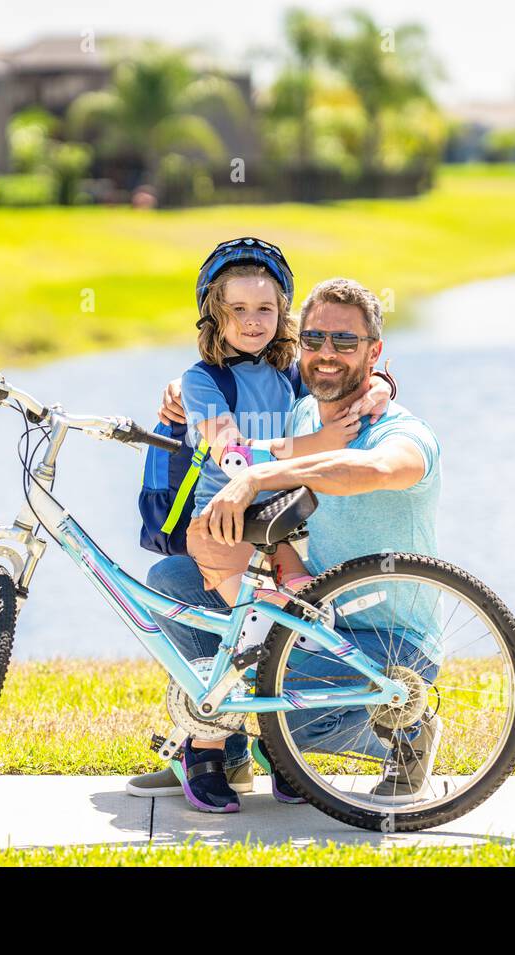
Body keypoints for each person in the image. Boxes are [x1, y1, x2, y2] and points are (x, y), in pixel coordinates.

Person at [131, 277, 444, 811]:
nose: (327, 353)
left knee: (281, 706)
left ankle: (405, 733)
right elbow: (255, 438)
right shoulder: (303, 412)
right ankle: (226, 747)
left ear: (374, 351)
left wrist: (258, 477)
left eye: (346, 343)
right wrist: (183, 390)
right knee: (173, 583)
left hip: (389, 645)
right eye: (315, 339)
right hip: (309, 617)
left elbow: (368, 469)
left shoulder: (402, 434)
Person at [166, 239, 394, 813]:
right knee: (245, 633)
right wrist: (315, 445)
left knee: (287, 623)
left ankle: (278, 743)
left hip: (287, 518)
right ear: (214, 312)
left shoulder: (292, 371)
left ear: (283, 313)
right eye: (237, 309)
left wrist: (383, 387)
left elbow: (355, 382)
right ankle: (207, 746)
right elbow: (232, 456)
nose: (251, 321)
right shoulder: (202, 381)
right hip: (227, 519)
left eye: (265, 309)